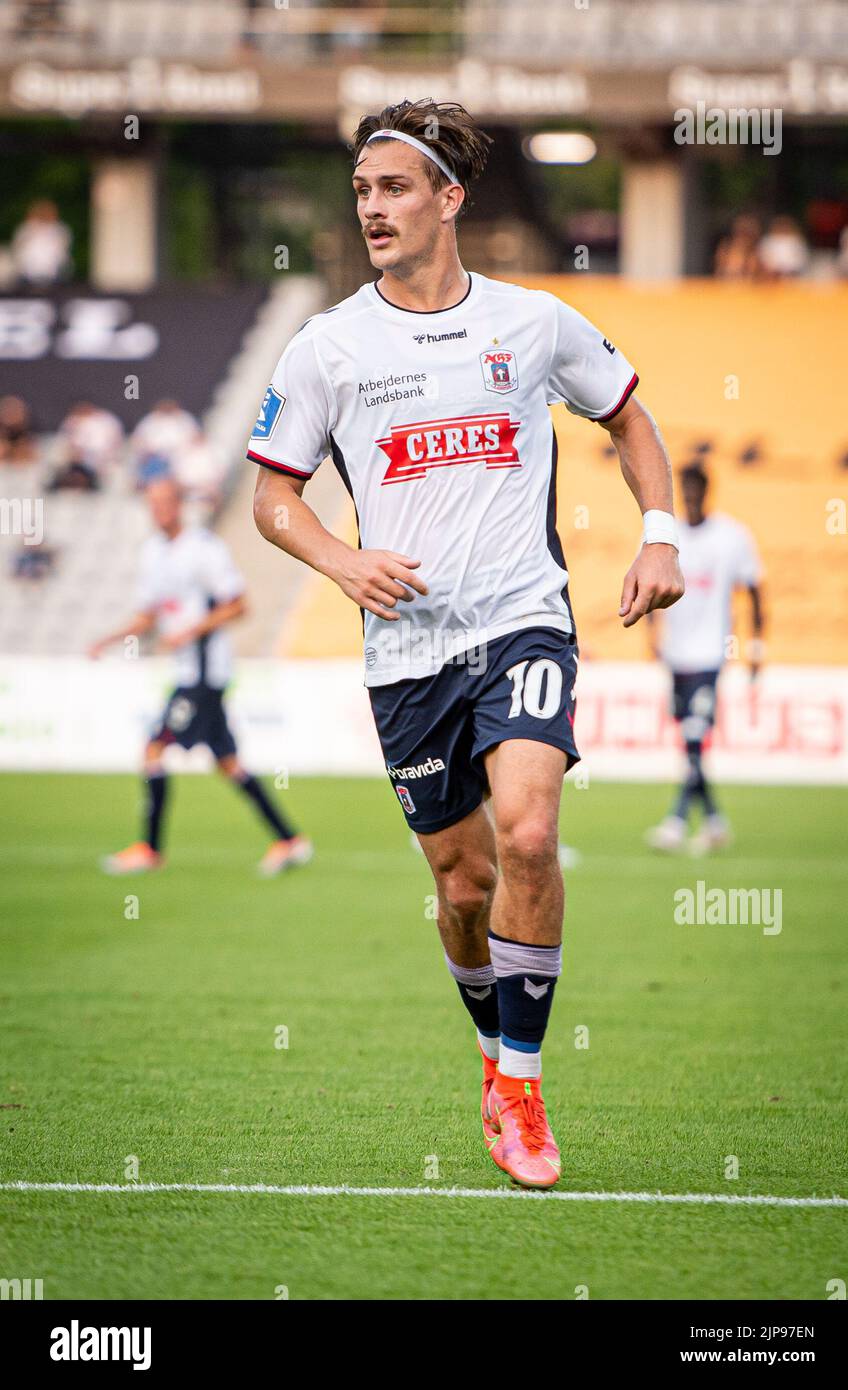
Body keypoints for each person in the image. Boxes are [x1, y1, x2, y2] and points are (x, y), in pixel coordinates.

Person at [249, 99, 683, 1189]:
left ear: (450, 197)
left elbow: (629, 416)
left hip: (521, 617)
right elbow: (273, 499)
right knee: (463, 884)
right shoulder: (327, 346)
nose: (373, 208)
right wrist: (345, 564)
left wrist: (659, 534)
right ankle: (494, 1060)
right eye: (361, 190)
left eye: (394, 187)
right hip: (405, 656)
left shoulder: (531, 323)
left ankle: (526, 1089)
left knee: (531, 833)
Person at [89, 478, 312, 877]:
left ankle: (150, 849)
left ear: (179, 504)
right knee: (228, 763)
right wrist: (108, 640)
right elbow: (149, 615)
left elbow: (239, 605)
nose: (159, 510)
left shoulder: (204, 550)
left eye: (165, 502)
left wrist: (190, 631)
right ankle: (289, 840)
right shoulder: (154, 553)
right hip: (189, 671)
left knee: (154, 747)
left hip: (205, 674)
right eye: (152, 504)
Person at [645, 465, 764, 855]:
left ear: (707, 490)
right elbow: (648, 579)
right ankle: (714, 820)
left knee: (695, 735)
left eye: (697, 488)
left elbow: (755, 589)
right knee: (690, 742)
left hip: (712, 653)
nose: (691, 495)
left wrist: (756, 648)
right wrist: (652, 633)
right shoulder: (668, 537)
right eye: (686, 488)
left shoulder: (731, 536)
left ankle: (677, 821)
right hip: (676, 656)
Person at [52, 401, 124, 492]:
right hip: (74, 464)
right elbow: (63, 444)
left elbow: (108, 447)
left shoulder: (106, 421)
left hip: (97, 464)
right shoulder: (71, 421)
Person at [11, 200, 72, 287]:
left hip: (54, 275)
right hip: (27, 274)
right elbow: (18, 247)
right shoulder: (26, 229)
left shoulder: (59, 229)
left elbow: (62, 249)